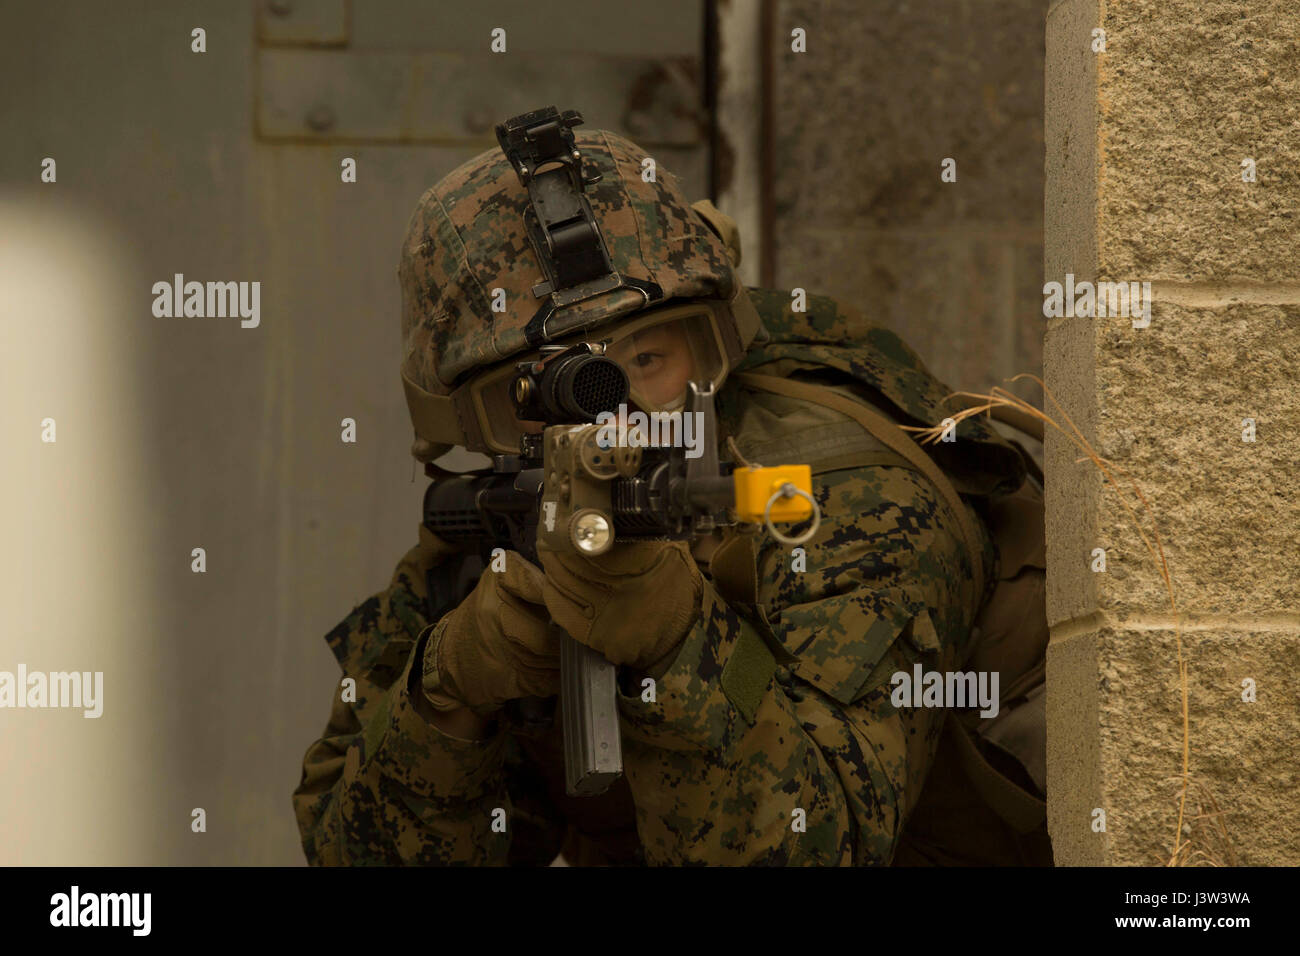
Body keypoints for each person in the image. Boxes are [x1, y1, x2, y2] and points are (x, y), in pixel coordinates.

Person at [292, 110, 1030, 866]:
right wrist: (447, 696)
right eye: (537, 391)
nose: (616, 421)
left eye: (645, 360)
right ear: (468, 424)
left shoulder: (835, 501)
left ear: (713, 345)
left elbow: (813, 849)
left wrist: (680, 641)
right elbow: (342, 847)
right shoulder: (486, 535)